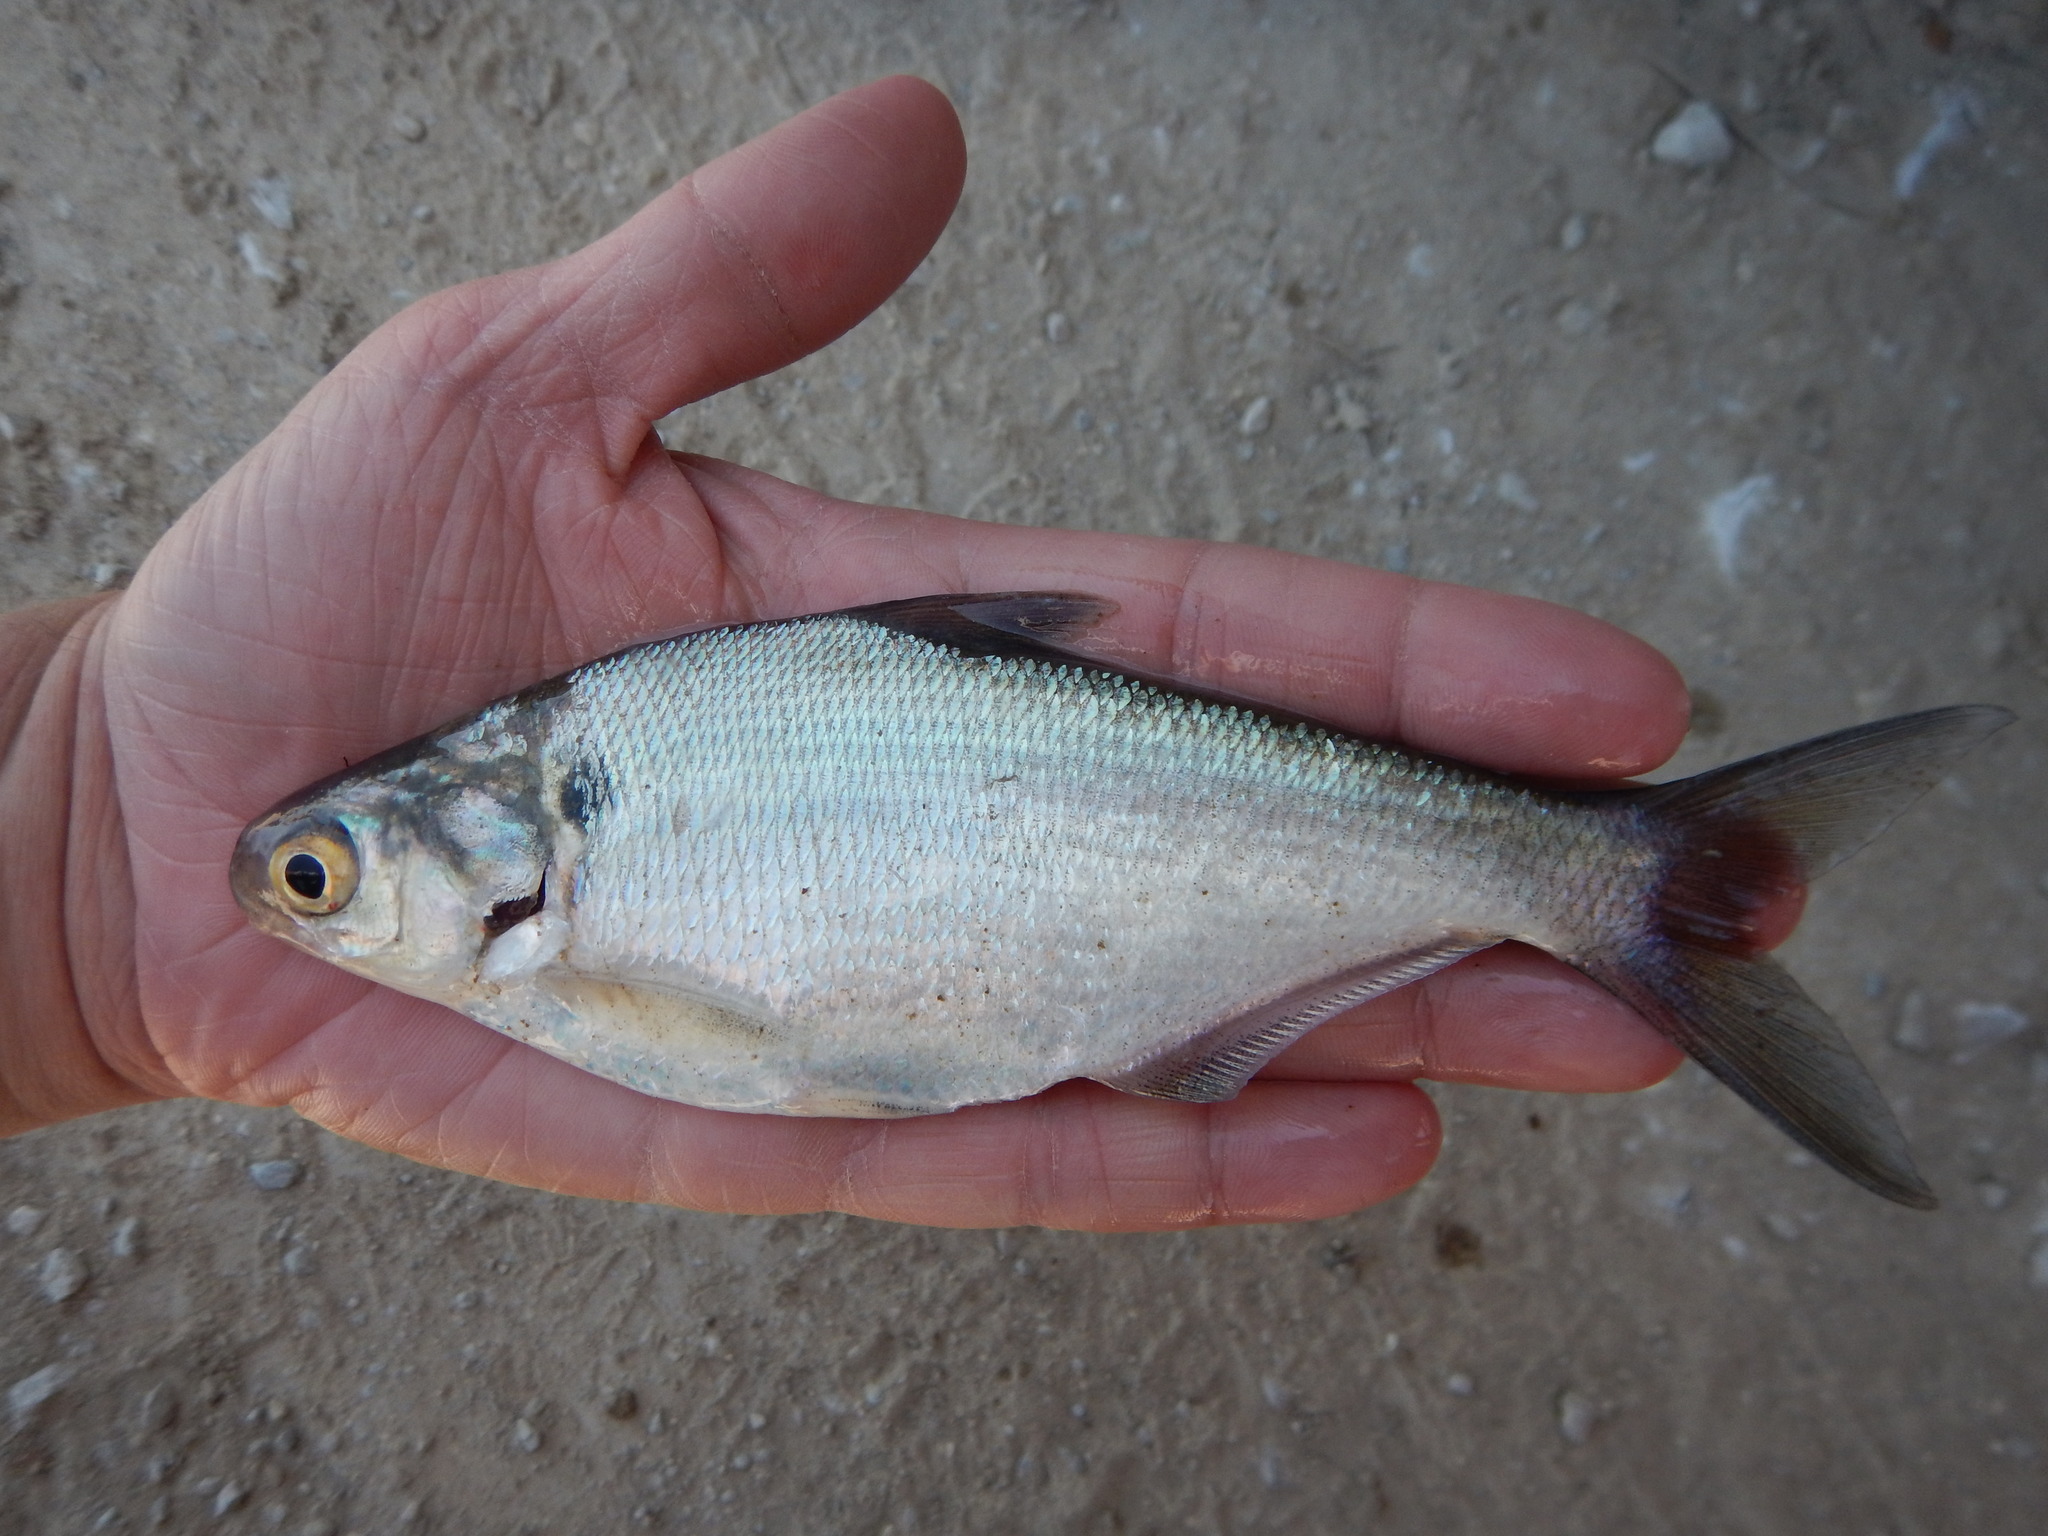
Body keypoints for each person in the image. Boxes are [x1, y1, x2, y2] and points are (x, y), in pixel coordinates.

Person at [0, 77, 1689, 1230]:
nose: (299, 893)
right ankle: (1591, 877)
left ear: (491, 852)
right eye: (315, 876)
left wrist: (68, 818)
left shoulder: (554, 891)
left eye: (318, 875)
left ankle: (1597, 876)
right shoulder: (549, 876)